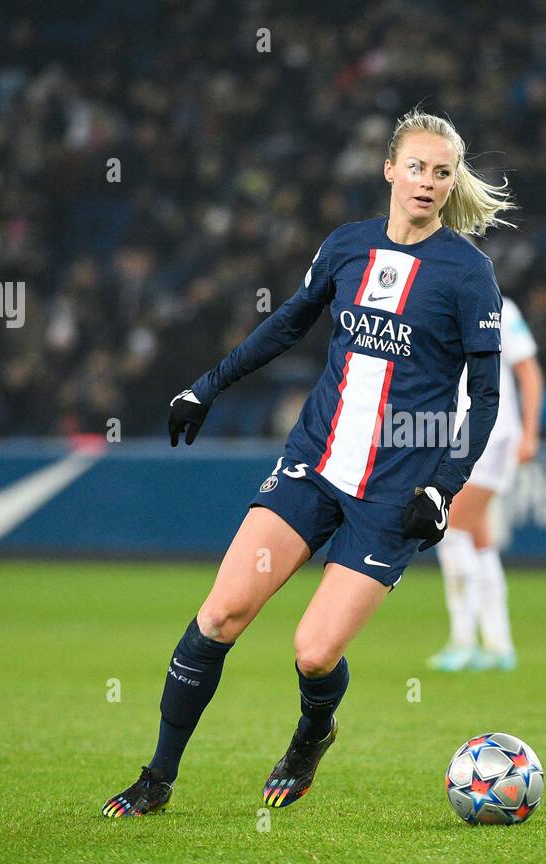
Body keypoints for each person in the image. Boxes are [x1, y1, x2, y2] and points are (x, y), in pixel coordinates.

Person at [102, 109, 515, 816]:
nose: (427, 181)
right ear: (389, 169)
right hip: (312, 467)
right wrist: (207, 385)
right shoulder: (347, 247)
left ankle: (313, 732)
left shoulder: (468, 273)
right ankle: (158, 778)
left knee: (314, 653)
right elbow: (290, 322)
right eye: (416, 166)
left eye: (441, 172)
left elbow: (485, 395)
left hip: (393, 495)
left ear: (451, 184)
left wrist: (444, 489)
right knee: (222, 614)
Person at [429, 294, 544, 671]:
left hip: (490, 435)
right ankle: (498, 644)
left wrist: (530, 433)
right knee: (480, 540)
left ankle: (464, 641)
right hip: (463, 436)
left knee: (451, 530)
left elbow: (528, 371)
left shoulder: (499, 308)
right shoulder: (442, 305)